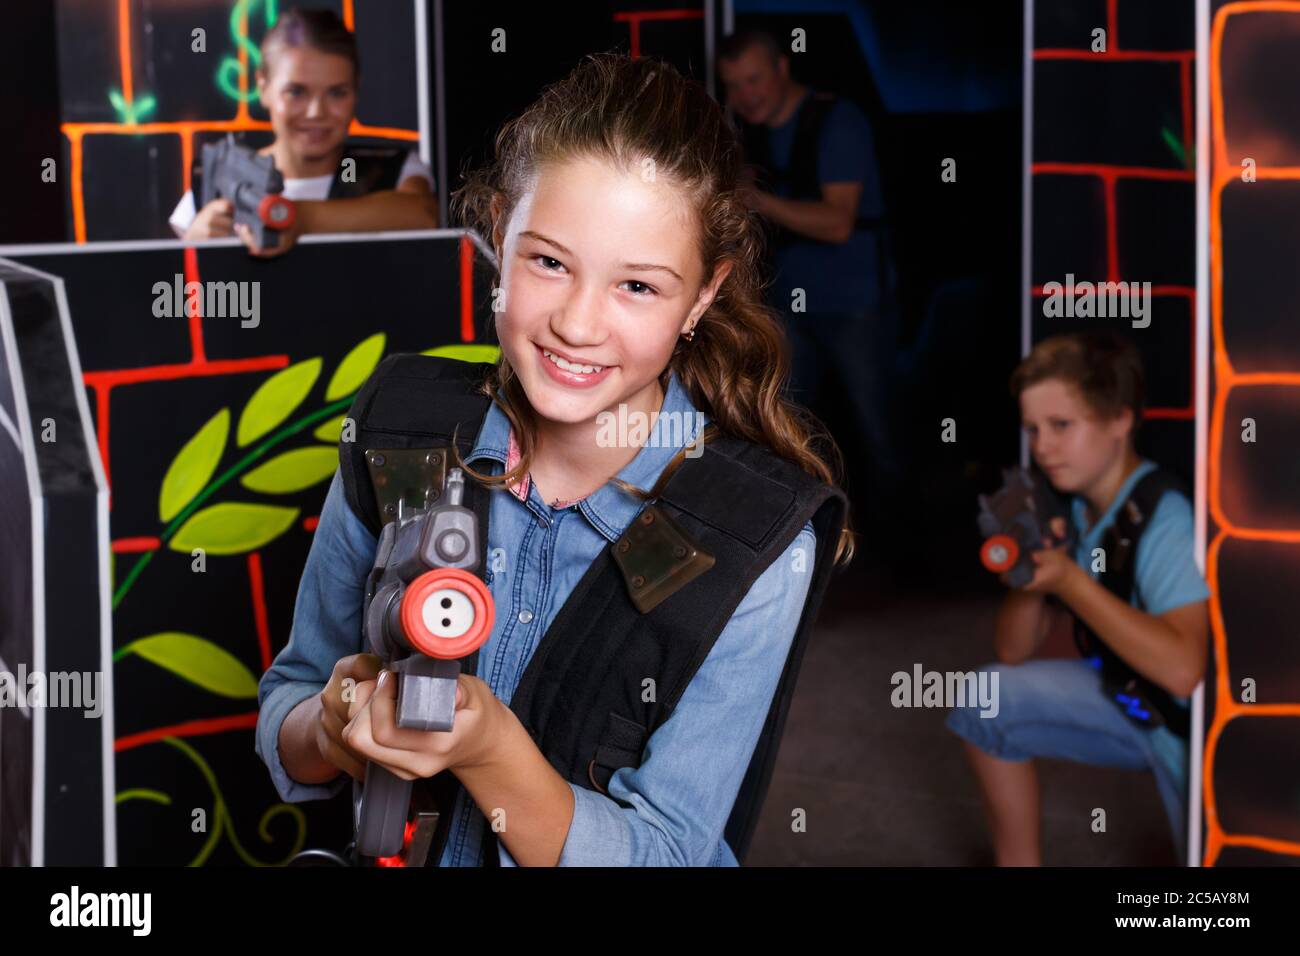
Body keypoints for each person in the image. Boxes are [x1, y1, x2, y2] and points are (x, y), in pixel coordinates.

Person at [255, 53, 857, 866]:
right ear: (500, 233)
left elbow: (669, 852)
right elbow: (289, 708)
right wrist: (330, 723)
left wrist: (490, 750)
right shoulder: (401, 432)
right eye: (548, 262)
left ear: (704, 297)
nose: (578, 324)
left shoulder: (755, 539)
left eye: (637, 286)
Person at [947, 332, 1210, 865]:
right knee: (984, 699)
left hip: (1193, 737)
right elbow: (1014, 653)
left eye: (1062, 426)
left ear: (1120, 420)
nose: (1042, 447)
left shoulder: (1166, 519)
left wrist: (1070, 582)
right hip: (1130, 701)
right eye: (1033, 429)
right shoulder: (1081, 511)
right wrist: (1030, 577)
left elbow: (1185, 670)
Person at [718, 28, 900, 503]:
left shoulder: (837, 121)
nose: (744, 95)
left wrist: (754, 199)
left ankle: (905, 551)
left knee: (877, 426)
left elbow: (838, 222)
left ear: (783, 68)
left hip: (854, 303)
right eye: (734, 85)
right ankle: (801, 539)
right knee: (787, 425)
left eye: (753, 80)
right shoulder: (744, 132)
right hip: (782, 305)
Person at [169, 8, 436, 256]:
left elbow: (423, 215)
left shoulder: (394, 171)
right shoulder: (212, 185)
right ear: (262, 87)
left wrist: (298, 218)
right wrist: (195, 248)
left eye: (337, 92)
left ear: (356, 90)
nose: (316, 112)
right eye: (296, 92)